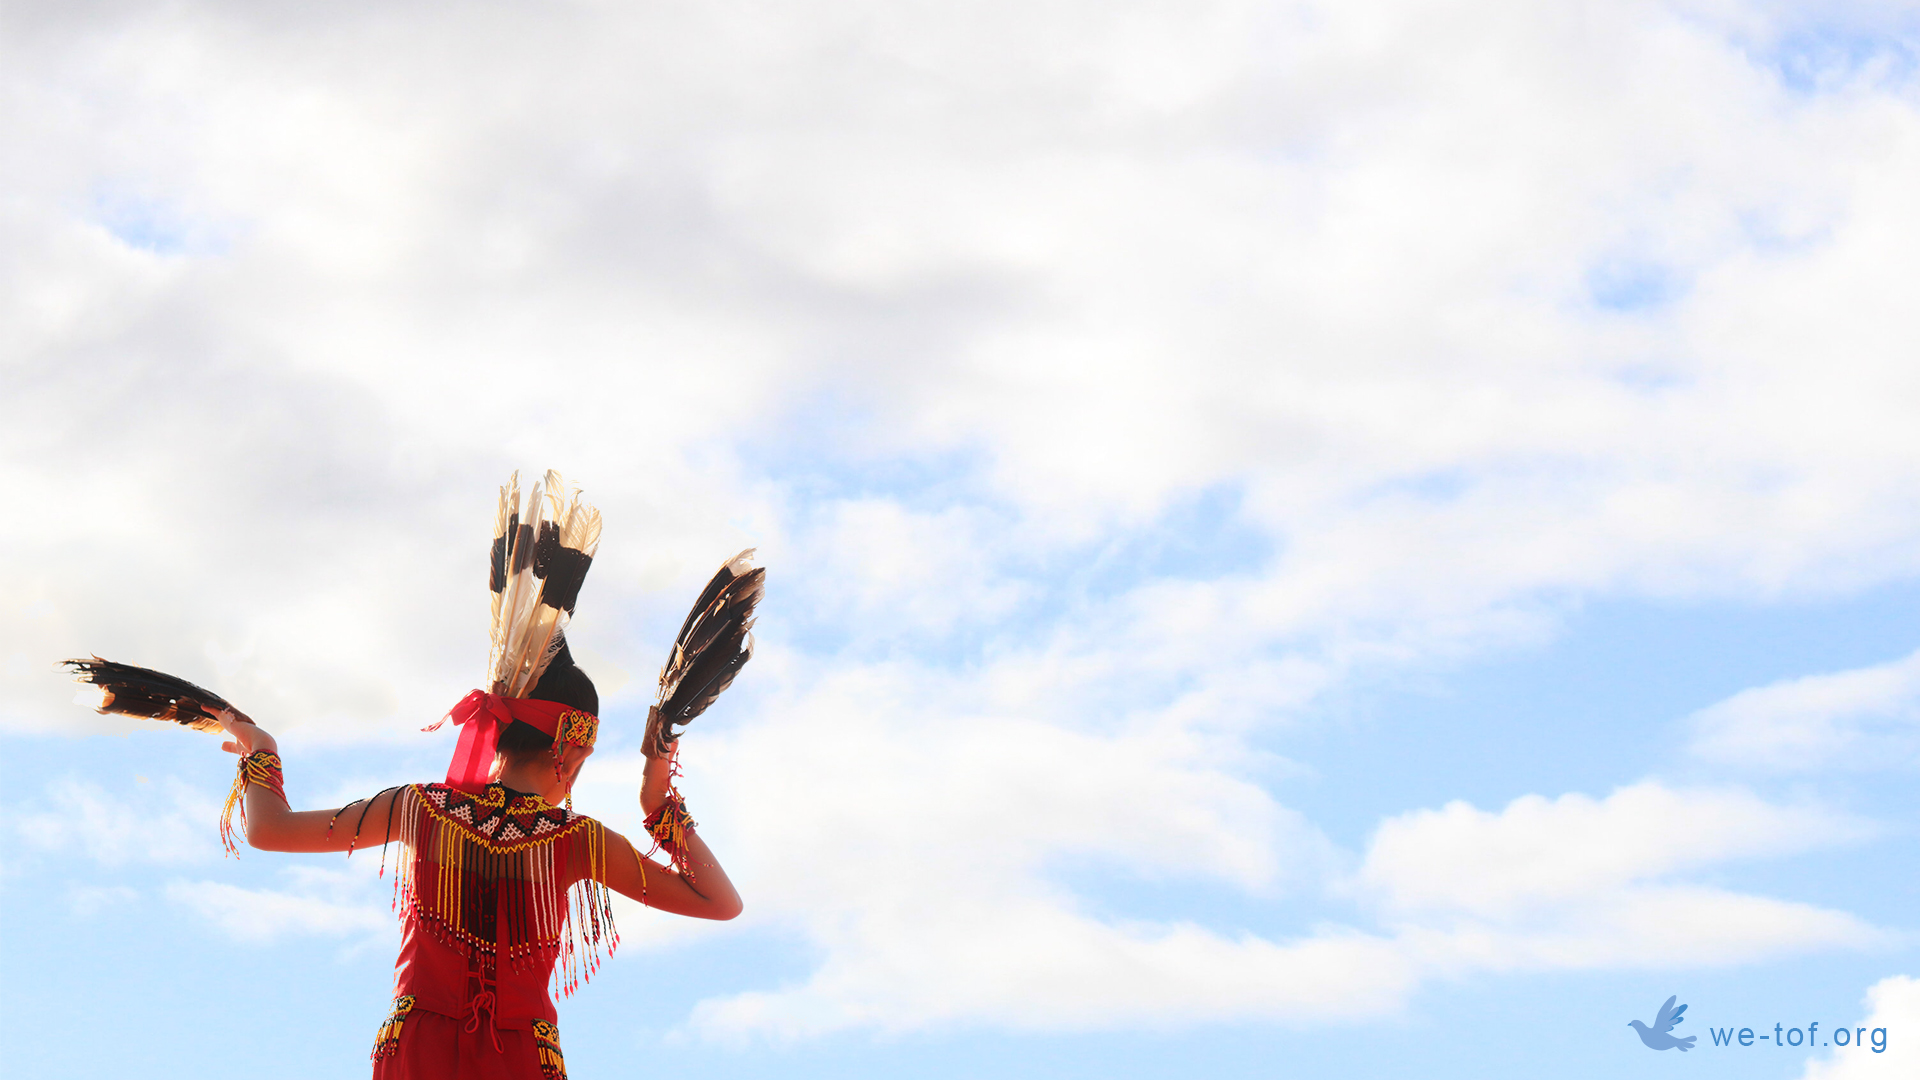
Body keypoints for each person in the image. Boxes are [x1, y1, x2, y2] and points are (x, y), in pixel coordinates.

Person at [195, 471, 754, 1080]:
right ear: (569, 751)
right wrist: (657, 805)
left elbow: (269, 830)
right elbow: (720, 903)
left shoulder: (418, 809)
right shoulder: (577, 842)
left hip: (418, 1053)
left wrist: (262, 750)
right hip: (519, 1058)